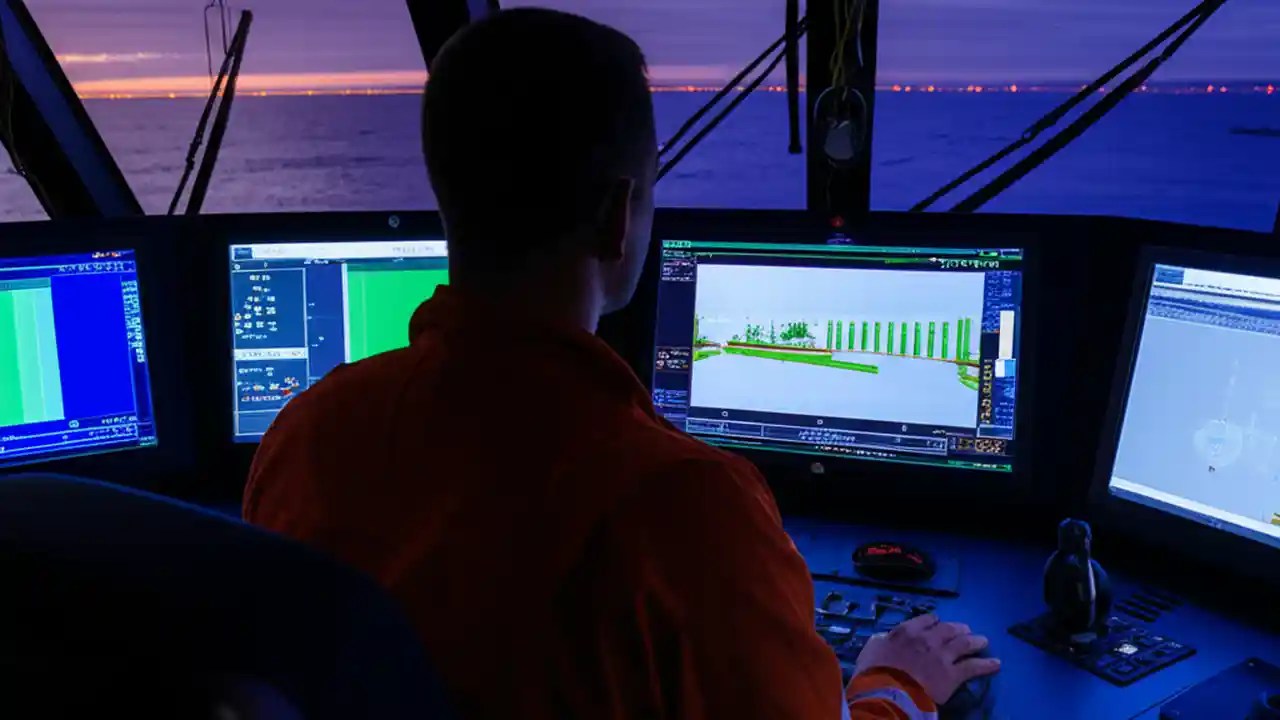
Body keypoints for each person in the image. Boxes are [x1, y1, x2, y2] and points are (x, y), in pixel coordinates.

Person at [243, 8, 1000, 719]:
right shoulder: (683, 504)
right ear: (617, 217)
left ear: (448, 196)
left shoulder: (306, 433)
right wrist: (896, 683)